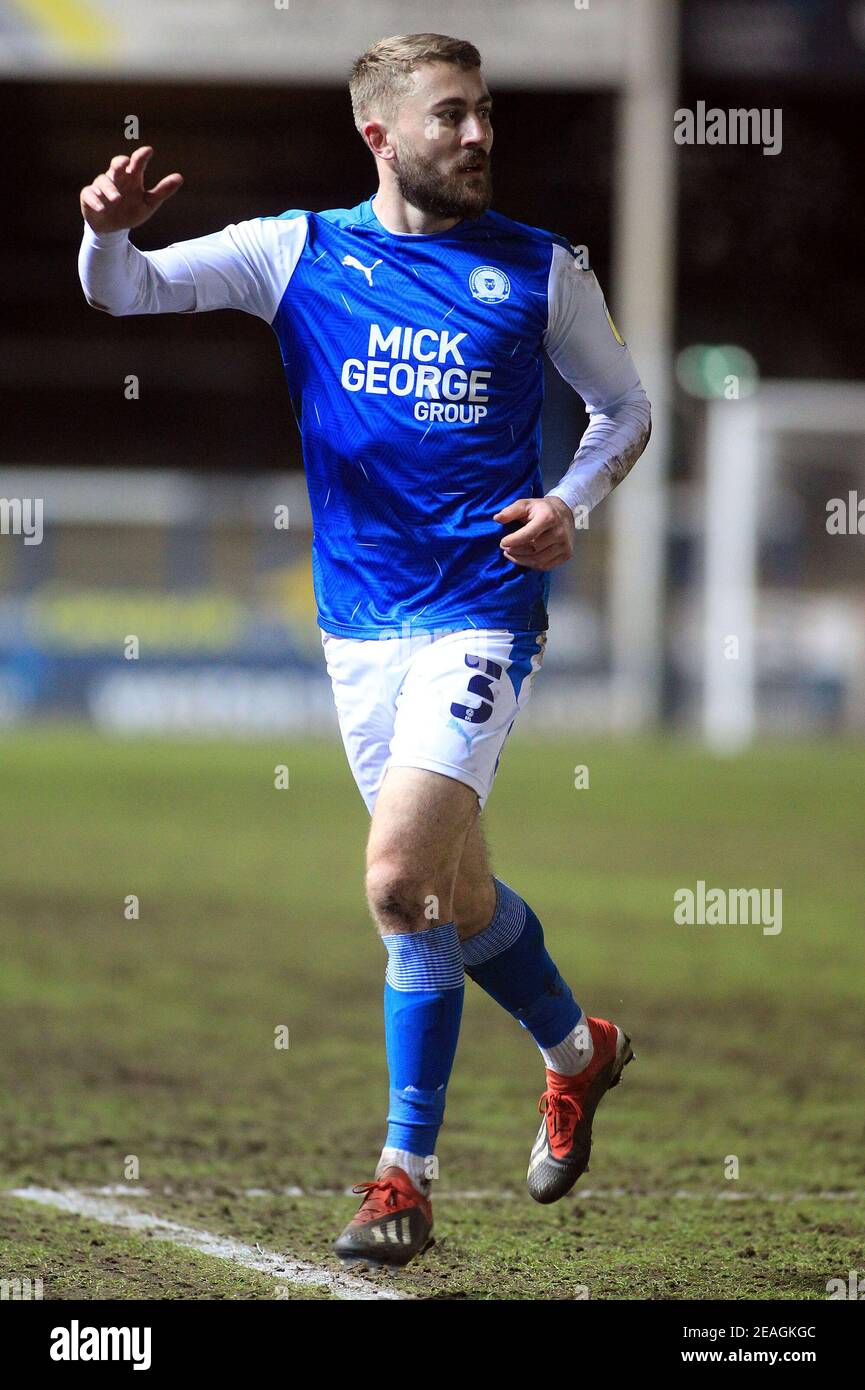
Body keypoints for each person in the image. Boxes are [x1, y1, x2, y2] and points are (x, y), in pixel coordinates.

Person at [78, 31, 650, 1269]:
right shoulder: (298, 252)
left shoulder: (541, 270)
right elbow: (121, 292)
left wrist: (571, 504)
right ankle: (577, 1050)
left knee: (398, 885)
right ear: (379, 136)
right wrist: (105, 227)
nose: (479, 135)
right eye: (451, 116)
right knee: (460, 896)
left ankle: (403, 1173)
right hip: (359, 634)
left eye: (484, 113)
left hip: (480, 617)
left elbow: (625, 408)